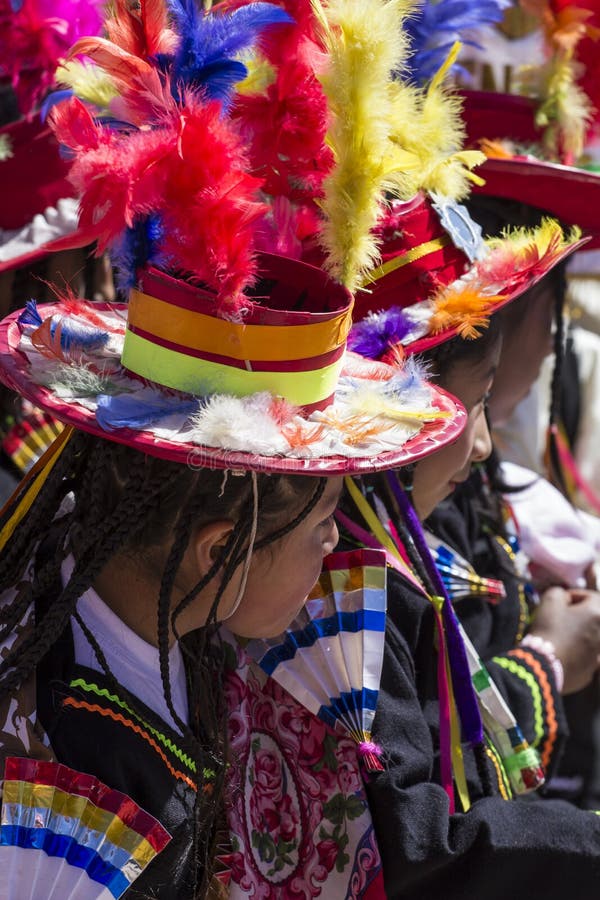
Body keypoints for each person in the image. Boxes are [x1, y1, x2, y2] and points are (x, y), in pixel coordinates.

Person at [0, 1, 469, 898]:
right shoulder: (90, 769)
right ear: (219, 550)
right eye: (327, 516)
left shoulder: (116, 612)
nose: (342, 547)